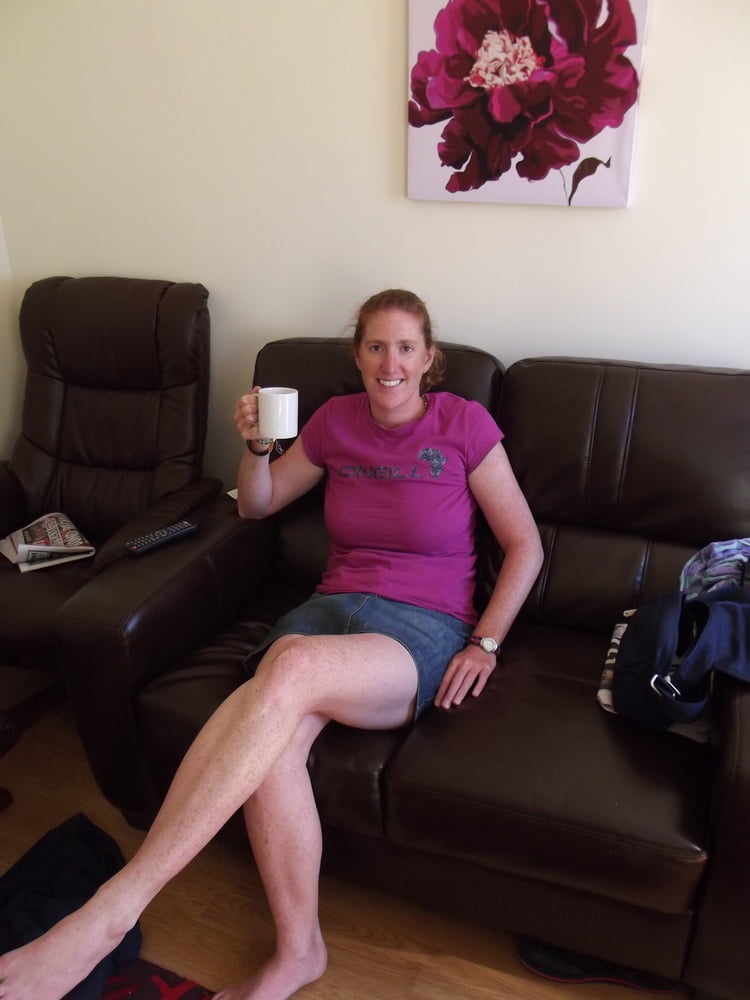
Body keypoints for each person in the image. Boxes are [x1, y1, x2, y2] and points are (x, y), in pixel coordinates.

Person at [0, 289, 543, 1000]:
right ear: (358, 356)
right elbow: (257, 504)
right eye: (376, 346)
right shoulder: (334, 420)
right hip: (327, 611)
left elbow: (524, 544)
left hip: (422, 625)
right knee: (276, 735)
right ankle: (298, 952)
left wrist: (486, 644)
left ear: (428, 359)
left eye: (406, 348)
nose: (391, 363)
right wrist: (258, 447)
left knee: (287, 670)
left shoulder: (462, 423)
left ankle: (111, 912)